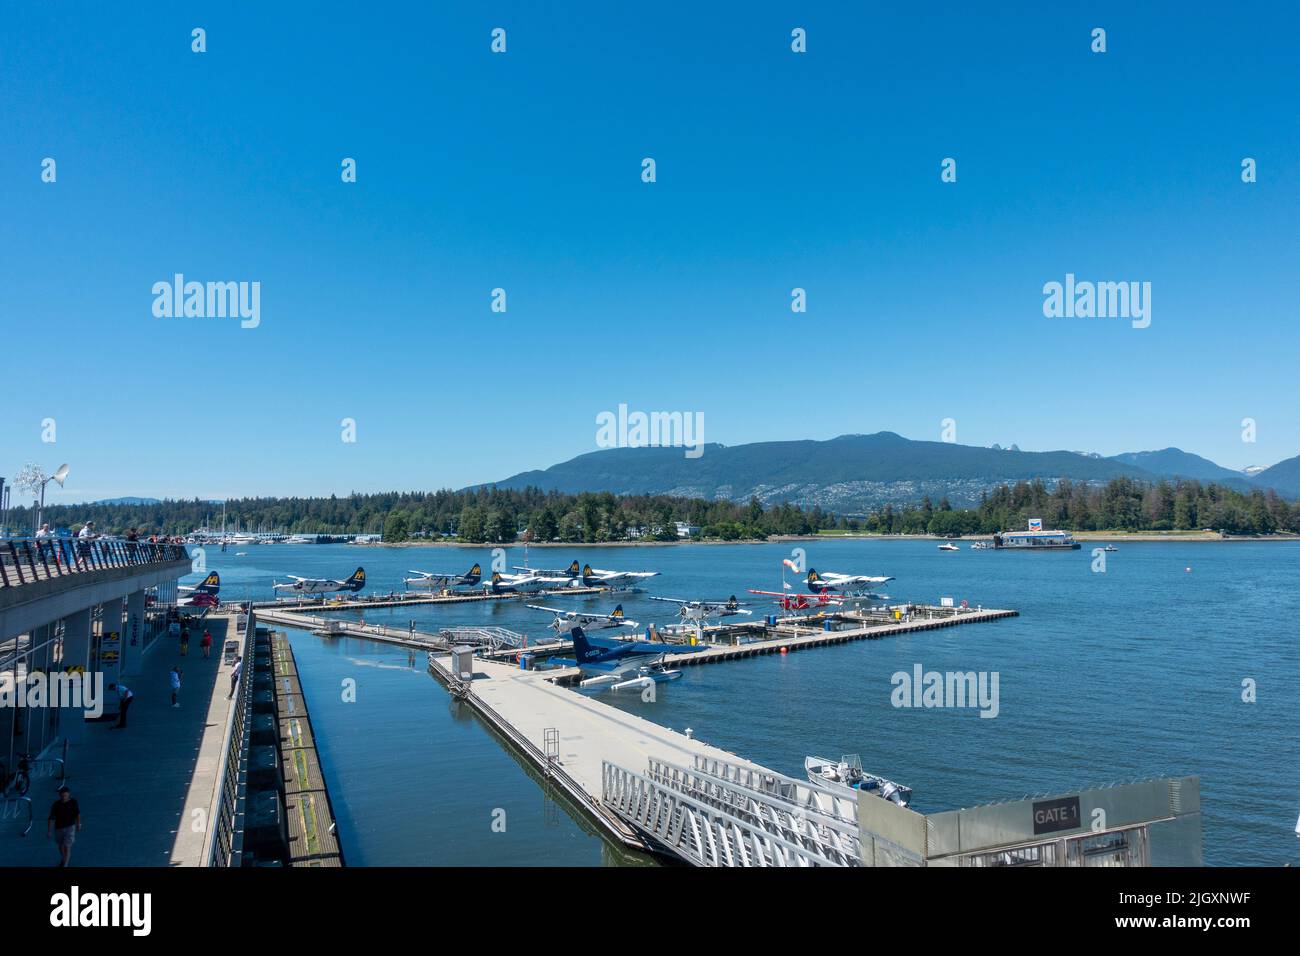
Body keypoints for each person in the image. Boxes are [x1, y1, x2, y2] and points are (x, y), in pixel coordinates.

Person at [47, 786, 82, 867]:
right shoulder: (56, 804)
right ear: (60, 795)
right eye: (62, 796)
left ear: (69, 795)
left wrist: (79, 824)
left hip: (70, 826)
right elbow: (51, 817)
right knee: (60, 846)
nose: (64, 798)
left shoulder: (73, 802)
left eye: (65, 796)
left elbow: (77, 814)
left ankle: (65, 864)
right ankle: (64, 859)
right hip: (59, 828)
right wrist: (49, 830)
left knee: (67, 846)